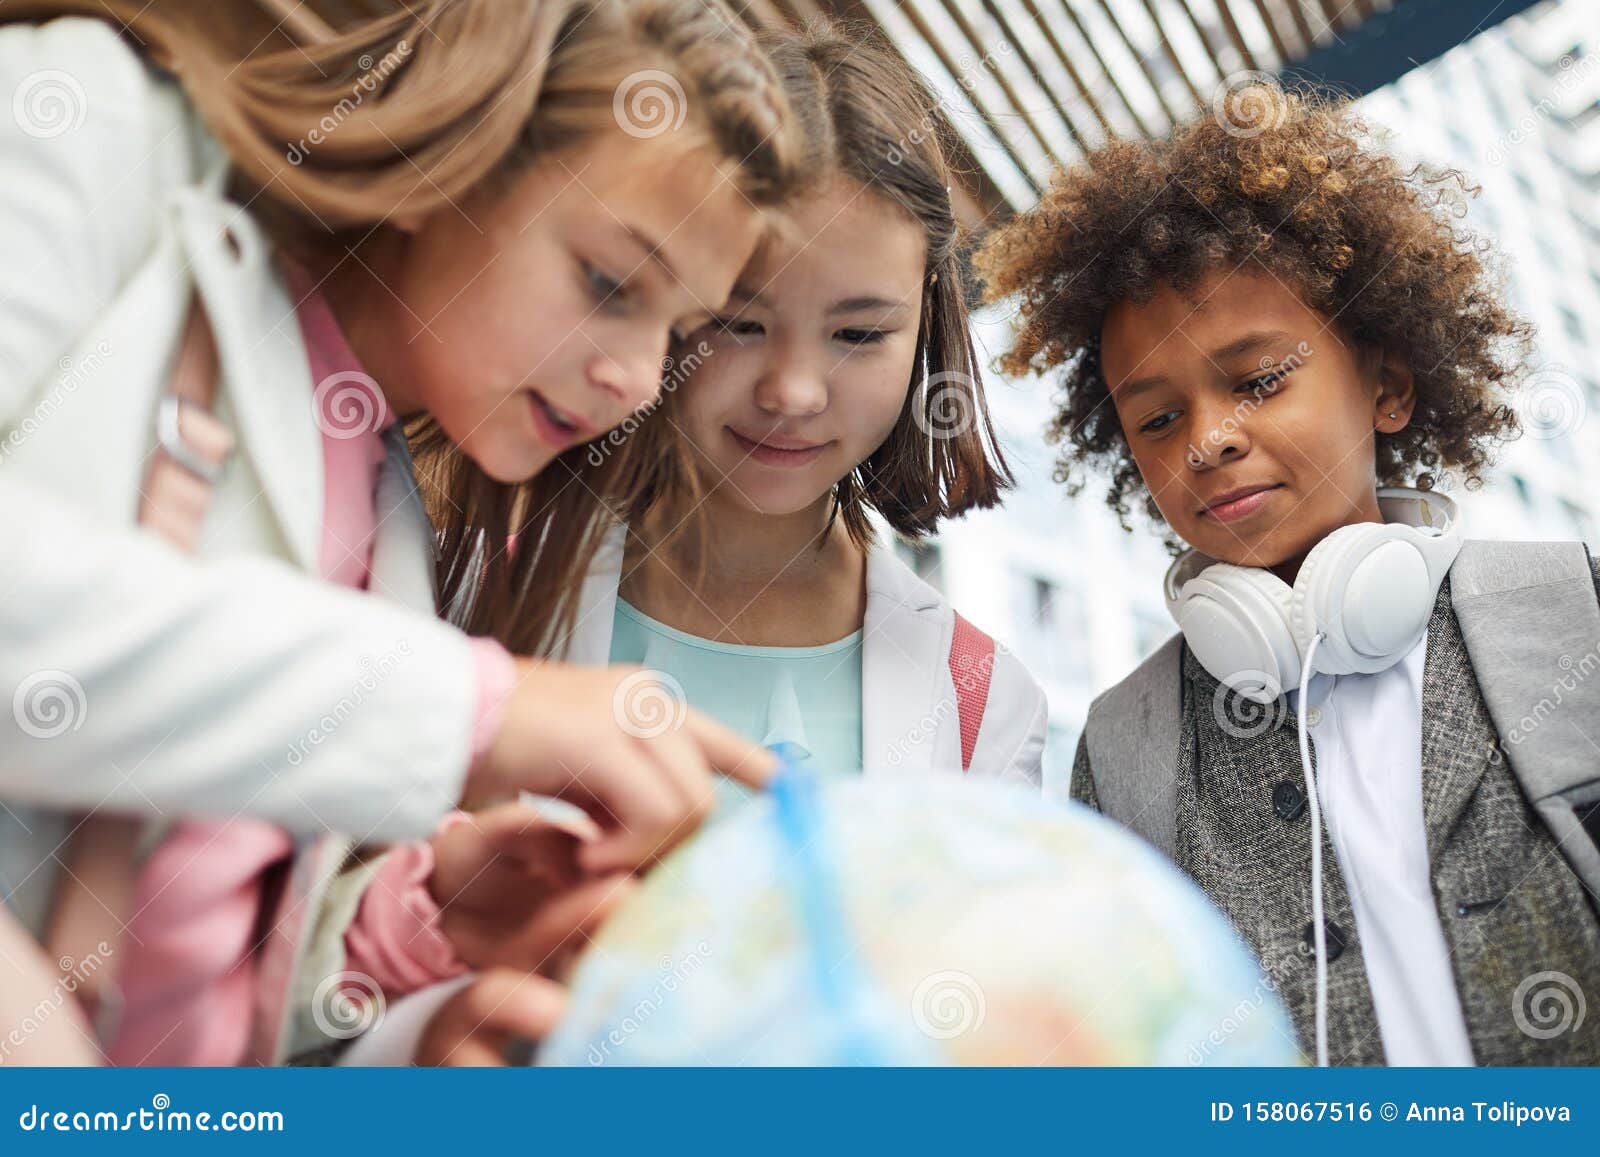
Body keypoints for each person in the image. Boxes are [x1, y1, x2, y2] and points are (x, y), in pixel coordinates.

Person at [0, 0, 800, 1065]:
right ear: (455, 157)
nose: (642, 376)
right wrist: (475, 707)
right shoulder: (92, 123)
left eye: (681, 331)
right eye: (610, 282)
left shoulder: (391, 542)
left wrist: (401, 946)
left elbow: (177, 999)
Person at [978, 82, 1600, 1065]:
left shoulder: (1574, 619)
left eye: (1259, 379)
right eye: (1156, 417)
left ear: (1387, 385)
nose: (1209, 439)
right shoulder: (1125, 748)